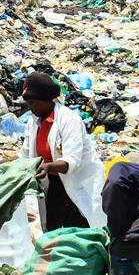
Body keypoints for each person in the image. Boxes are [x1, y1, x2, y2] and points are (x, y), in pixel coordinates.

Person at [20, 72, 106, 231]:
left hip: (78, 180)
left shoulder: (68, 119)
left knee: (80, 228)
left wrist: (47, 167)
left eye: (33, 103)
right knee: (53, 227)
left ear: (47, 101)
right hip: (54, 183)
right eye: (29, 104)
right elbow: (25, 156)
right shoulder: (34, 122)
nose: (30, 108)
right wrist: (0, 165)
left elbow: (71, 161)